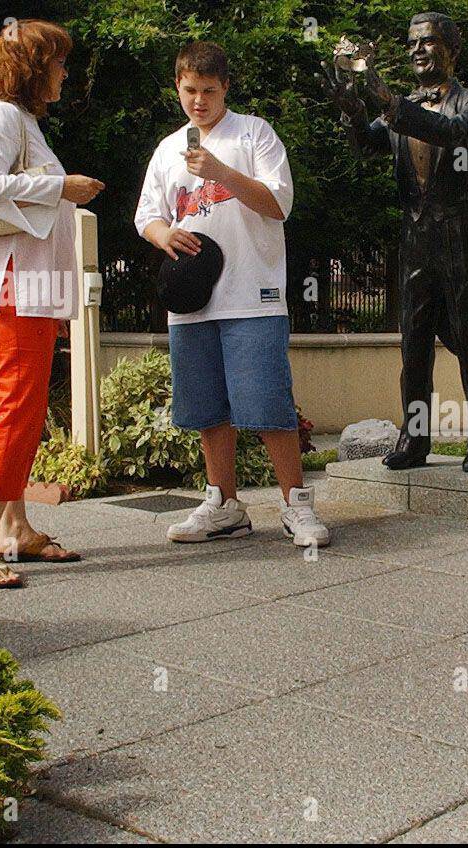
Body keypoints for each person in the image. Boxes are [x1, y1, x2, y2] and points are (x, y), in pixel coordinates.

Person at [135, 41, 330, 547]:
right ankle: (223, 504)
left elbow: (279, 203)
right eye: (190, 90)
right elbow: (147, 215)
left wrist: (221, 171)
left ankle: (297, 506)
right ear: (177, 87)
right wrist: (163, 236)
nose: (198, 101)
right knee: (207, 408)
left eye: (209, 91)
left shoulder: (254, 133)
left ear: (226, 89)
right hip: (194, 301)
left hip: (252, 293)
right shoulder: (166, 149)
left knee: (268, 405)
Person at [0, 19, 105, 589]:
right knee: (15, 412)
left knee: (25, 413)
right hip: (12, 291)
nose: (65, 73)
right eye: (59, 62)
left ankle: (16, 528)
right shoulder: (0, 117)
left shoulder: (19, 121)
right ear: (34, 66)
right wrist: (61, 188)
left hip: (29, 292)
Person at [324, 12, 468, 472]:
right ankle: (414, 437)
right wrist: (355, 113)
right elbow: (368, 146)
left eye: (428, 42)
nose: (417, 50)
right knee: (414, 344)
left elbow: (452, 133)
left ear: (453, 50)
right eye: (412, 44)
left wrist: (389, 102)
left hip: (464, 237)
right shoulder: (403, 110)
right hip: (418, 237)